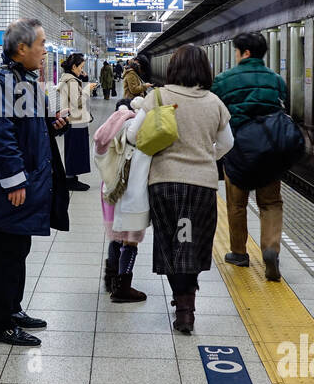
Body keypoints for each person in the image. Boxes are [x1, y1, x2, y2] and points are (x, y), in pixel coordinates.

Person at [0, 18, 70, 346]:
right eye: (42, 44)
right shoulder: (1, 83)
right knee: (6, 252)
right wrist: (14, 181)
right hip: (10, 186)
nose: (45, 50)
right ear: (21, 48)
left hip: (26, 181)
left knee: (18, 248)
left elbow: (24, 129)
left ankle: (12, 309)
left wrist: (52, 126)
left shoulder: (24, 80)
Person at [145, 45, 233, 334]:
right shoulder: (215, 103)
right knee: (191, 241)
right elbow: (227, 143)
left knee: (170, 241)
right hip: (201, 186)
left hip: (164, 183)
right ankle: (186, 307)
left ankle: (181, 300)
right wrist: (206, 156)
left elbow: (135, 136)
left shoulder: (157, 97)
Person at [211, 31, 289, 281]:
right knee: (271, 203)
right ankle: (270, 249)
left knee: (236, 204)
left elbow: (216, 114)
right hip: (270, 151)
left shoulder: (224, 80)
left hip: (238, 151)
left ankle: (239, 253)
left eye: (236, 51)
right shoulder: (276, 80)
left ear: (244, 53)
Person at [94, 97, 148, 303]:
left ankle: (111, 279)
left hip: (109, 189)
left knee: (115, 235)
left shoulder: (108, 129)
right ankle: (122, 284)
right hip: (132, 190)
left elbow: (98, 156)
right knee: (130, 238)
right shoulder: (137, 130)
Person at [55, 52, 96, 191]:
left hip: (74, 121)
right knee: (75, 151)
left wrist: (83, 80)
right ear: (73, 66)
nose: (82, 70)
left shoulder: (70, 79)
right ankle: (71, 180)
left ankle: (72, 178)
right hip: (75, 121)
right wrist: (87, 89)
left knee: (75, 150)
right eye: (81, 67)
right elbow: (77, 102)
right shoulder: (71, 81)